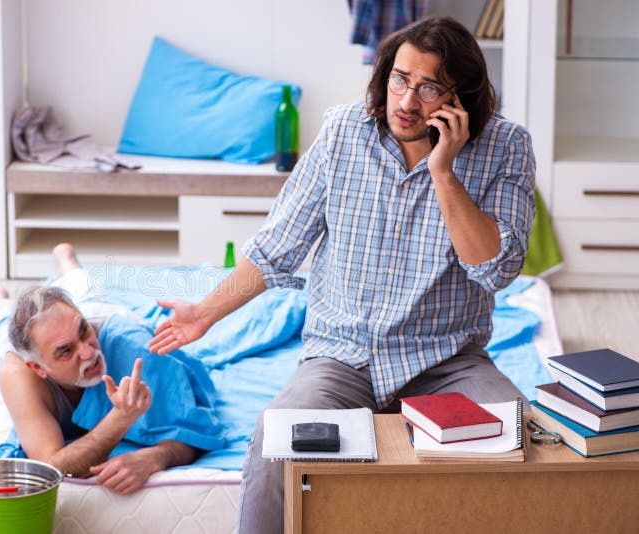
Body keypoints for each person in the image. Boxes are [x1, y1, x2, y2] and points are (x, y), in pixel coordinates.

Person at [148, 16, 536, 533]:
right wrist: (204, 313)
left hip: (446, 359)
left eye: (428, 88)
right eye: (400, 79)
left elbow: (496, 270)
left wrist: (443, 171)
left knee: (517, 436)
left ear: (458, 97)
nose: (406, 101)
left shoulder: (507, 146)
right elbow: (277, 248)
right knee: (272, 441)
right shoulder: (342, 130)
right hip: (343, 355)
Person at [0, 244, 223, 495]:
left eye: (83, 331)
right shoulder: (18, 371)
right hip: (43, 335)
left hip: (98, 311)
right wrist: (121, 417)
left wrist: (156, 457)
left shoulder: (133, 347)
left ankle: (67, 260)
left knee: (83, 287)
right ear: (37, 367)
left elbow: (197, 429)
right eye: (66, 351)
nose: (88, 353)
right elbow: (51, 469)